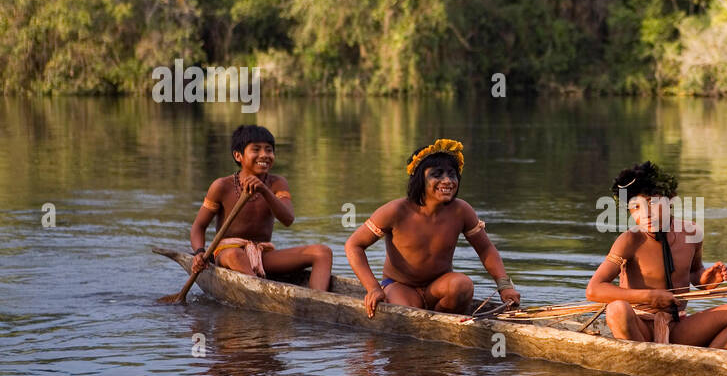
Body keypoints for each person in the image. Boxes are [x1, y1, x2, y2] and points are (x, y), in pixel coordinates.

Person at [344, 139, 521, 317]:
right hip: (400, 286)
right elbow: (353, 245)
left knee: (463, 285)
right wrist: (373, 288)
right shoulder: (396, 211)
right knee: (407, 316)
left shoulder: (461, 211)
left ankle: (440, 321)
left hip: (439, 288)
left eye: (452, 175)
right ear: (420, 180)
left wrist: (504, 286)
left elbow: (485, 249)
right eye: (437, 175)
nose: (447, 181)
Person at [586, 161, 727, 348]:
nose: (646, 214)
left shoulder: (691, 233)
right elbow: (594, 289)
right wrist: (649, 297)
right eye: (636, 207)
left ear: (670, 199)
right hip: (639, 328)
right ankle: (644, 360)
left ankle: (706, 368)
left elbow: (693, 272)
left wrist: (704, 280)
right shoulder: (630, 240)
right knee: (617, 309)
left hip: (678, 326)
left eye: (652, 203)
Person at [189, 125, 333, 289]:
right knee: (236, 254)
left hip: (262, 254)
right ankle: (263, 292)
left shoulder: (277, 183)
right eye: (256, 149)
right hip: (228, 254)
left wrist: (264, 190)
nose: (264, 155)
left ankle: (317, 301)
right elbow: (198, 227)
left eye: (269, 150)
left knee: (322, 252)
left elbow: (288, 219)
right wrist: (199, 252)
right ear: (238, 156)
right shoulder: (222, 186)